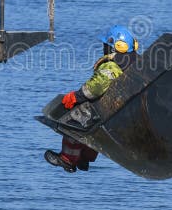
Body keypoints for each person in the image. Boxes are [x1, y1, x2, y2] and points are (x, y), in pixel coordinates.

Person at [45, 25, 140, 173]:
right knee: (94, 120)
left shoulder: (113, 65)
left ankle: (68, 159)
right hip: (127, 111)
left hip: (113, 113)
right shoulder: (137, 63)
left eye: (105, 46)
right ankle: (84, 158)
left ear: (114, 47)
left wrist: (76, 96)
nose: (104, 48)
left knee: (76, 116)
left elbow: (96, 87)